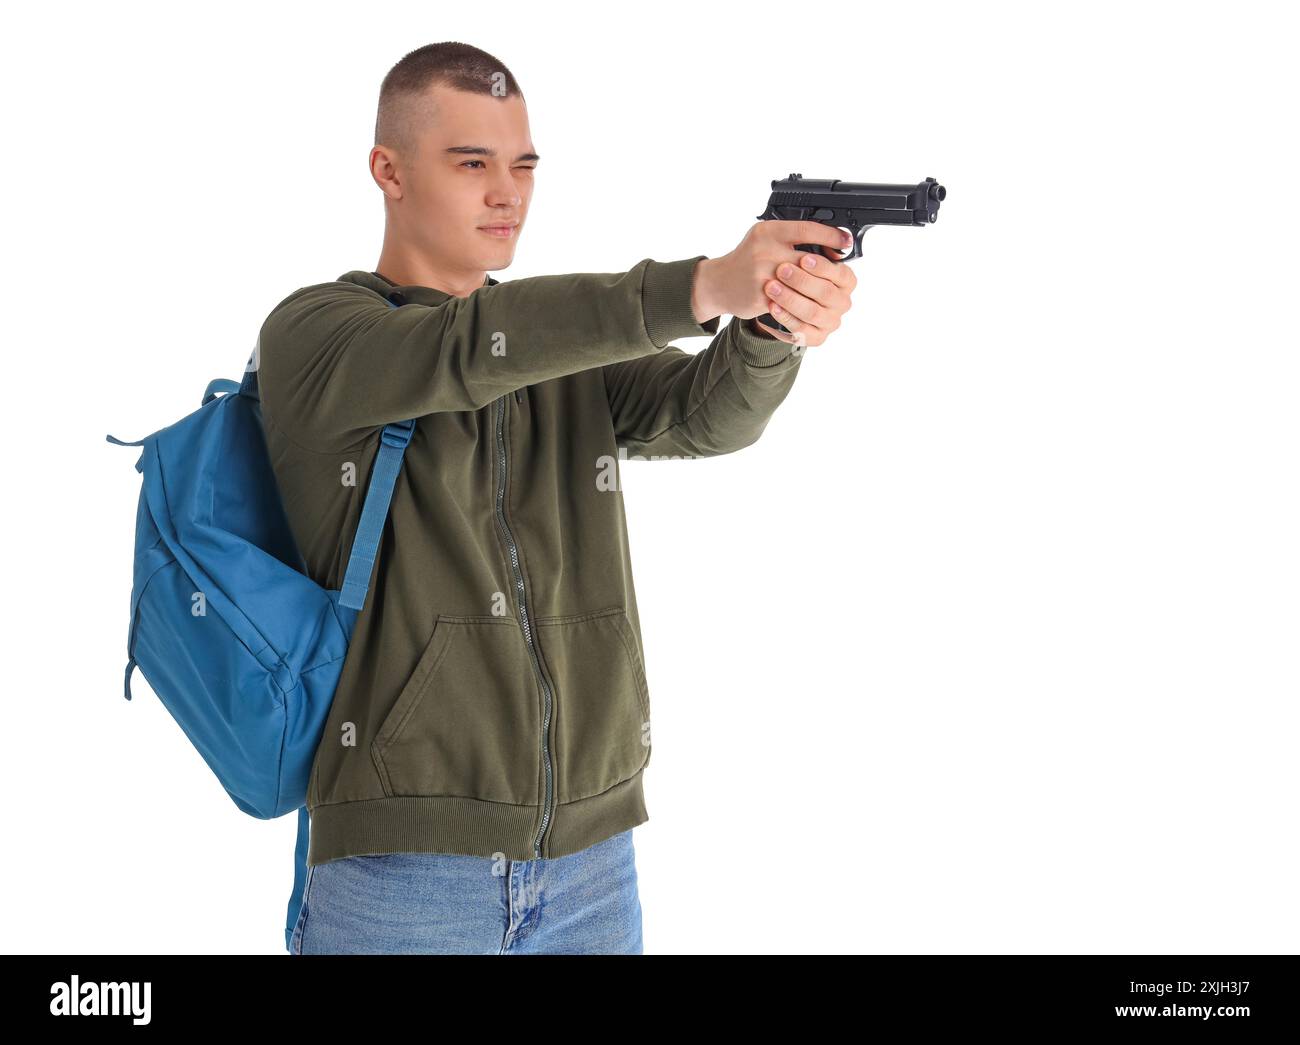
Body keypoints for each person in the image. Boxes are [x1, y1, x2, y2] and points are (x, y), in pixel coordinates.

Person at [258, 41, 855, 954]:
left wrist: (771, 319)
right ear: (389, 170)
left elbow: (708, 415)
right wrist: (698, 285)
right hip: (402, 875)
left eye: (524, 165)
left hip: (591, 862)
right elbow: (467, 346)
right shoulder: (320, 335)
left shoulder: (557, 356)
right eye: (473, 164)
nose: (509, 193)